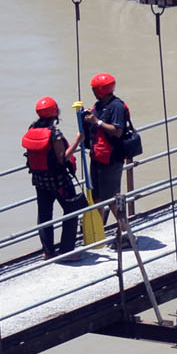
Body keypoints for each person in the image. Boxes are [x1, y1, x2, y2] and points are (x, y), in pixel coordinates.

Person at [21, 97, 81, 257]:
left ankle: (48, 252)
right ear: (55, 113)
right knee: (71, 211)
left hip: (40, 181)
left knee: (44, 215)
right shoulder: (54, 134)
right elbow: (63, 157)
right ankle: (67, 252)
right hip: (58, 181)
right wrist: (78, 141)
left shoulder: (31, 129)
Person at [81, 72, 135, 242]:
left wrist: (97, 121)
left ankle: (126, 235)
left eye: (95, 89)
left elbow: (118, 131)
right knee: (97, 197)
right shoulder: (98, 106)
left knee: (113, 198)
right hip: (97, 157)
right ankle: (98, 234)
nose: (93, 92)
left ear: (101, 90)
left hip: (111, 158)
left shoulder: (116, 107)